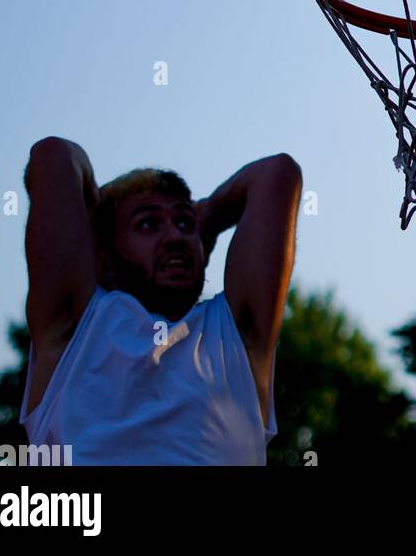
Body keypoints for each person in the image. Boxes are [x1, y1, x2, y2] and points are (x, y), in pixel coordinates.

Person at [19, 137, 302, 465]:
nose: (174, 236)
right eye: (148, 224)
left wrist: (208, 215)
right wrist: (96, 215)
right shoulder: (72, 329)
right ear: (103, 258)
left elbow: (277, 173)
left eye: (185, 223)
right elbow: (54, 156)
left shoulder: (235, 336)